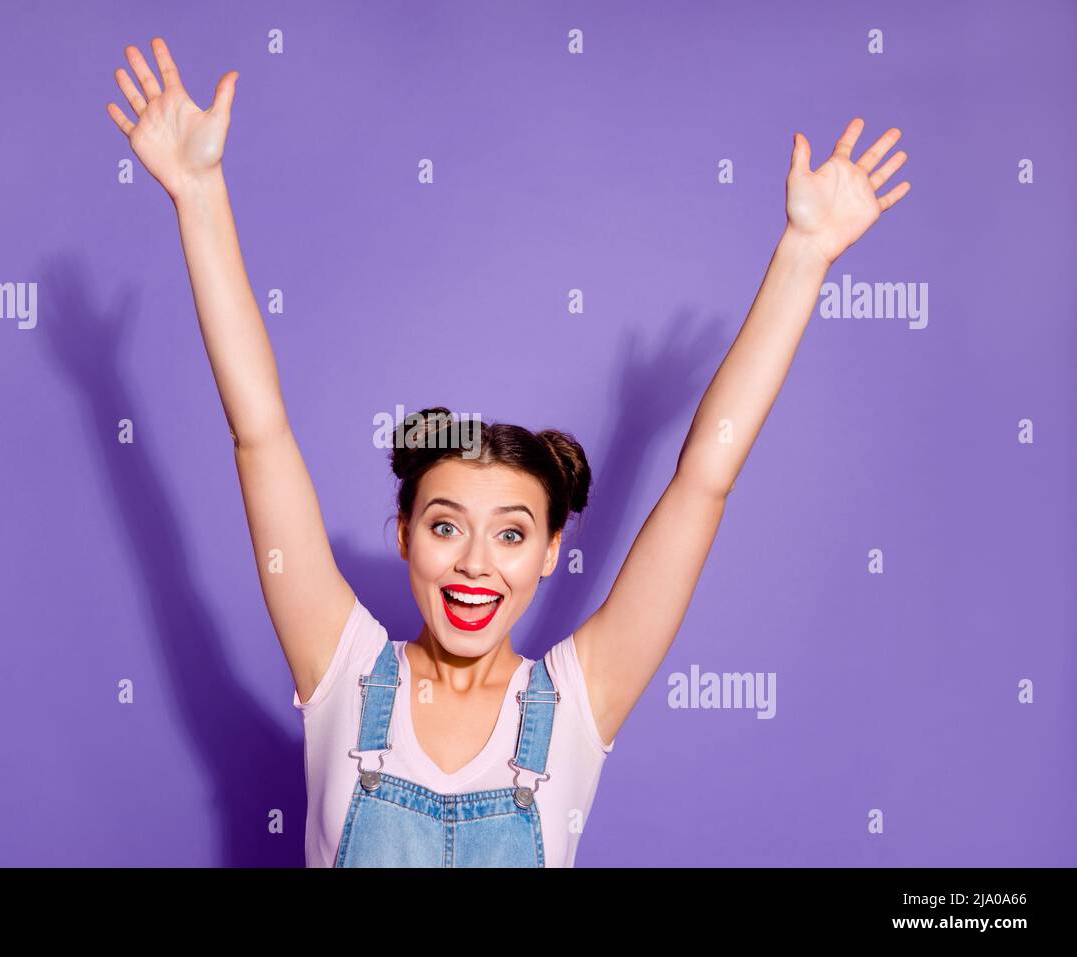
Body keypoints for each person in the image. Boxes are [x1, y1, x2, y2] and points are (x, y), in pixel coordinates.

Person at [105, 37, 912, 867]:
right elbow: (260, 430)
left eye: (514, 533)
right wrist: (198, 195)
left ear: (552, 551)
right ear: (405, 533)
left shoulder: (577, 702)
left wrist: (804, 256)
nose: (476, 565)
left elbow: (705, 478)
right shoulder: (339, 667)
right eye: (447, 526)